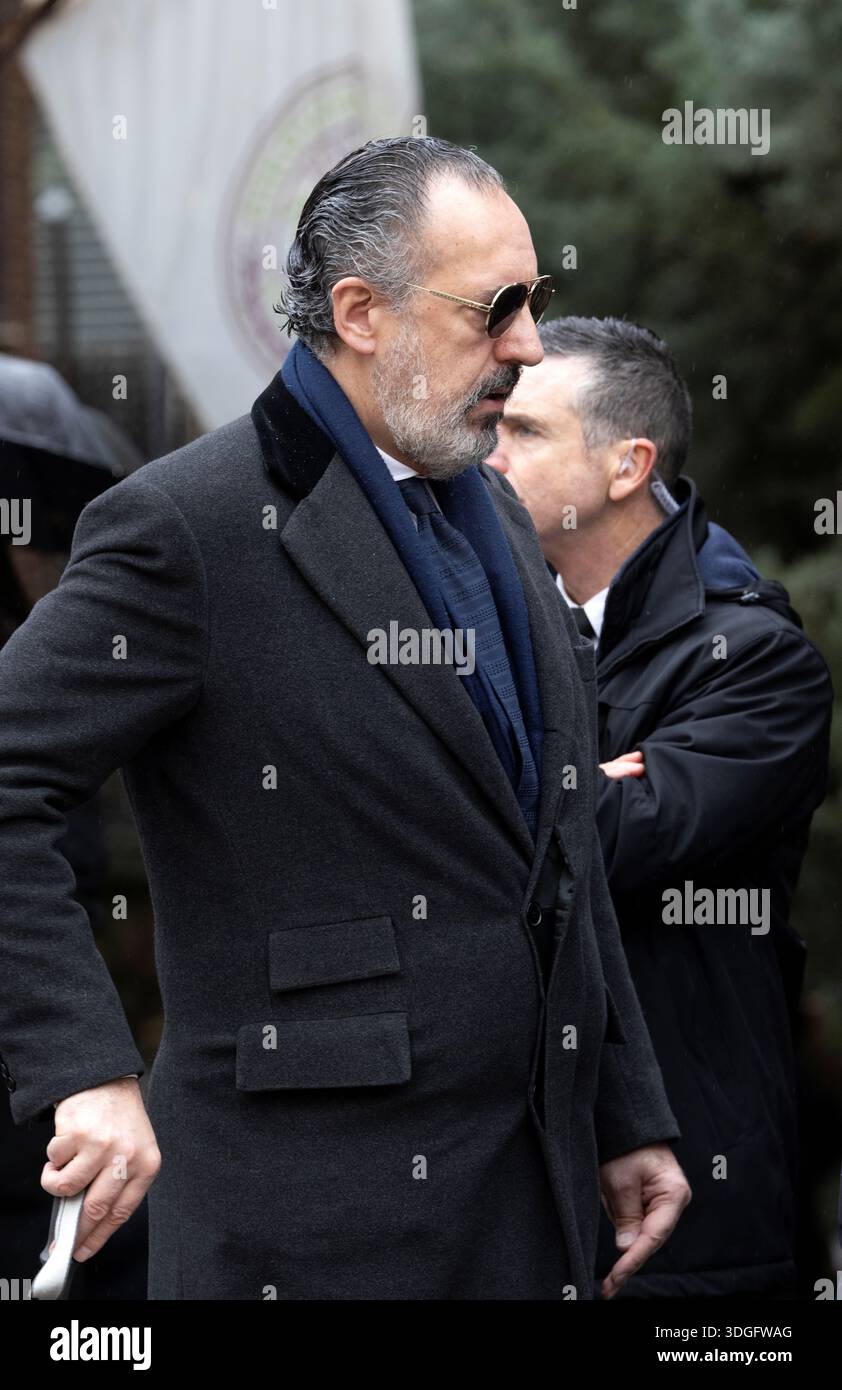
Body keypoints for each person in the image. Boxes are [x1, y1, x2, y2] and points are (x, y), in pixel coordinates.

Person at [0, 143, 688, 1301]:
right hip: (307, 1230)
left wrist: (620, 1106)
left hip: (535, 1202)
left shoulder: (494, 515)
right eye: (495, 309)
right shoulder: (187, 526)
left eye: (536, 303)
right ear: (360, 313)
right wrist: (85, 1067)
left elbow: (553, 846)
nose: (526, 345)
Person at [487, 314, 833, 1297]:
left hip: (692, 1196)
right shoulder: (487, 624)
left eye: (523, 432)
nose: (487, 455)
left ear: (625, 465)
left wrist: (559, 793)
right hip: (510, 1178)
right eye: (489, 426)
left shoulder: (753, 660)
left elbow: (600, 838)